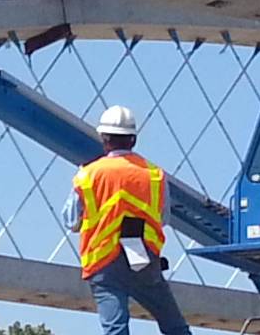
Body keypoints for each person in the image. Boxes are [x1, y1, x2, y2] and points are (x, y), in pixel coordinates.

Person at [67, 105, 192, 335]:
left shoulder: (87, 175)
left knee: (116, 328)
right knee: (175, 327)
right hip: (144, 259)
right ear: (133, 140)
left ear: (104, 138)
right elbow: (163, 218)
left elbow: (71, 221)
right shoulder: (155, 175)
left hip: (103, 261)